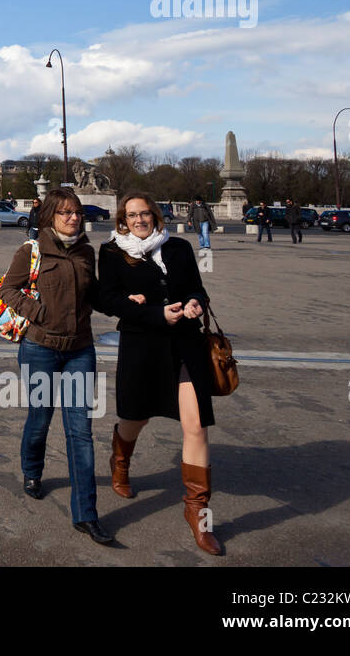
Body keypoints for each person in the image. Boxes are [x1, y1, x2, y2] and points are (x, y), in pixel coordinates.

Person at [97, 191, 223, 555]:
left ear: (156, 215)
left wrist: (197, 302)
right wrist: (153, 313)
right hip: (142, 345)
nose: (139, 220)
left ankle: (197, 512)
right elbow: (107, 299)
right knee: (135, 418)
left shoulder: (179, 247)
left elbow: (197, 287)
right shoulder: (112, 252)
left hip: (185, 343)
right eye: (131, 215)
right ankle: (120, 460)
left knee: (196, 425)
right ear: (122, 220)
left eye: (145, 213)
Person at [0, 188, 112, 546]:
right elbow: (9, 291)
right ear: (50, 217)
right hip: (40, 349)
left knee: (80, 431)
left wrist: (129, 303)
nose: (73, 217)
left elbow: (92, 295)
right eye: (64, 212)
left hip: (80, 350)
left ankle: (86, 515)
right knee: (41, 417)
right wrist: (39, 315)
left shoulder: (85, 251)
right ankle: (32, 471)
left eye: (76, 212)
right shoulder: (30, 251)